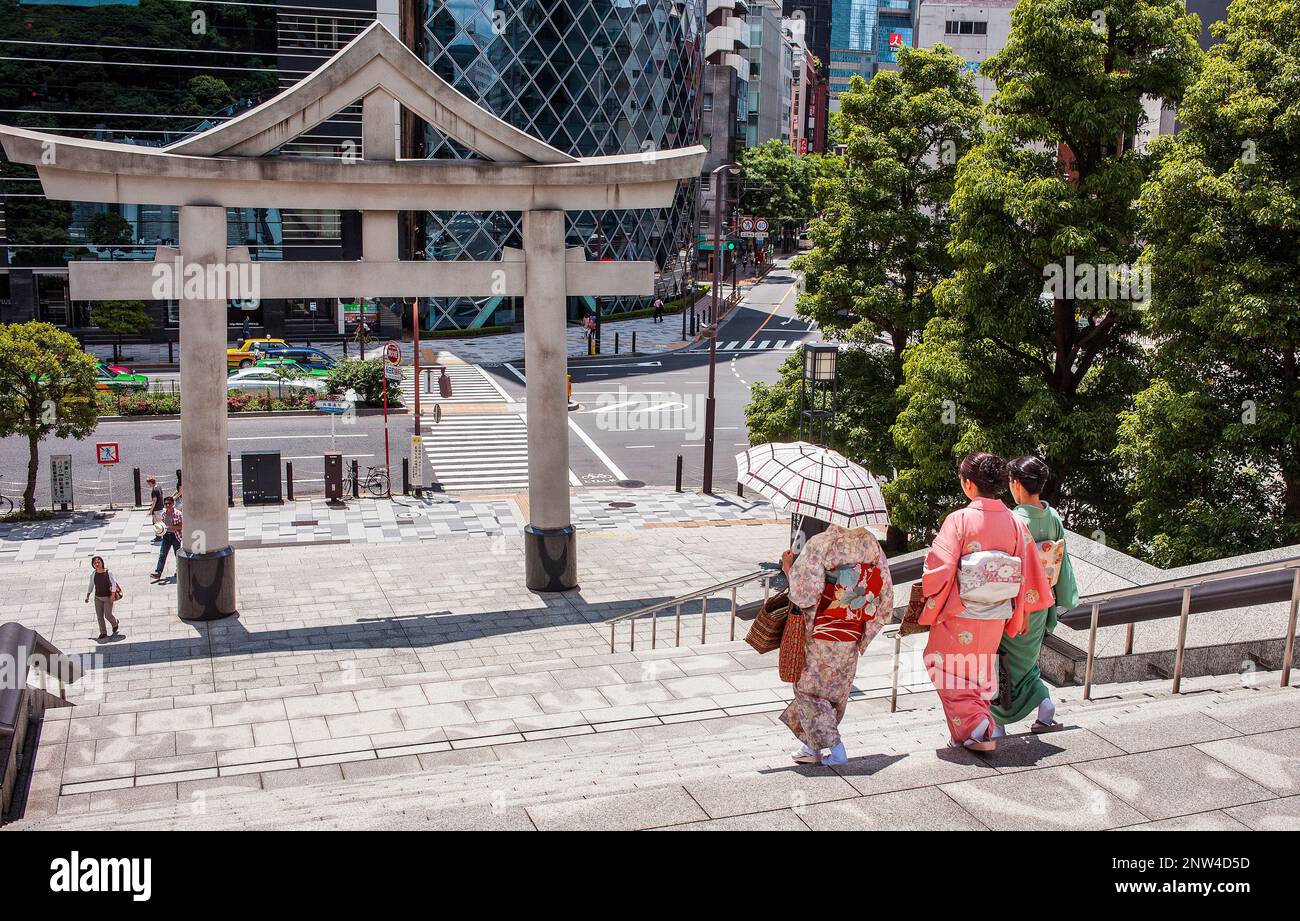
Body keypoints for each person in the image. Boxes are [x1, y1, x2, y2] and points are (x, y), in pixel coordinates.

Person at [919, 453, 1053, 752]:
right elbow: (1030, 571)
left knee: (940, 663)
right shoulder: (1014, 522)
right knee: (978, 670)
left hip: (960, 612)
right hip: (996, 613)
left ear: (968, 485)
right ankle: (969, 734)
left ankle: (976, 724)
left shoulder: (960, 520)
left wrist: (928, 582)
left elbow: (938, 570)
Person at [778, 524, 894, 766]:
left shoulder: (821, 543)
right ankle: (811, 747)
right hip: (852, 630)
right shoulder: (870, 542)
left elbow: (804, 594)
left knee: (808, 691)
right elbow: (883, 587)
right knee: (834, 692)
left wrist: (789, 568)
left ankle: (836, 748)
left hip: (823, 631)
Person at [992, 456, 1079, 735]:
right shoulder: (1052, 516)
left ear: (1016, 484)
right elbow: (1060, 561)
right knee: (1028, 662)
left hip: (1016, 606)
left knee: (1002, 661)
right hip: (1042, 602)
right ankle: (1044, 705)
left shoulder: (1014, 520)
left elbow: (1005, 566)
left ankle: (998, 722)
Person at [84, 555, 121, 641]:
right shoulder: (93, 574)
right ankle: (103, 632)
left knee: (108, 615)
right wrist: (88, 595)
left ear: (102, 563)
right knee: (99, 616)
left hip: (108, 598)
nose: (97, 564)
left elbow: (114, 584)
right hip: (98, 598)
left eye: (98, 562)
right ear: (93, 565)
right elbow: (91, 585)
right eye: (95, 563)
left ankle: (115, 623)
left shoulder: (108, 572)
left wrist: (112, 595)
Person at [151, 496, 182, 581]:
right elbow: (162, 523)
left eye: (169, 503)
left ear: (173, 504)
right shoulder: (163, 514)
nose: (168, 505)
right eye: (166, 504)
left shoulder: (178, 514)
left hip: (175, 536)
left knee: (177, 555)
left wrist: (170, 527)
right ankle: (158, 572)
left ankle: (179, 571)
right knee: (162, 554)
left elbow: (181, 526)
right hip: (166, 536)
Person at [146, 475, 164, 542]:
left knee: (156, 523)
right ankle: (160, 535)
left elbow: (154, 501)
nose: (148, 485)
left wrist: (151, 510)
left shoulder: (154, 490)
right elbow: (162, 496)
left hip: (156, 509)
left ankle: (158, 537)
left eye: (148, 483)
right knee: (159, 522)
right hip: (160, 507)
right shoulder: (158, 487)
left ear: (151, 482)